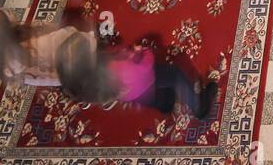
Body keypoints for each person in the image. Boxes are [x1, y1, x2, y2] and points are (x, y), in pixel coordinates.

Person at [57, 32, 218, 119]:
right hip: (143, 80)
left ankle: (166, 105)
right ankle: (199, 107)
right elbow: (146, 66)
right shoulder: (116, 68)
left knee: (157, 99)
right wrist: (143, 51)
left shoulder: (90, 84)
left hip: (133, 94)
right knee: (173, 75)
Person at [0, 7, 86, 86]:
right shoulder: (37, 38)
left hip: (55, 75)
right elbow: (63, 32)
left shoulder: (6, 68)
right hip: (72, 58)